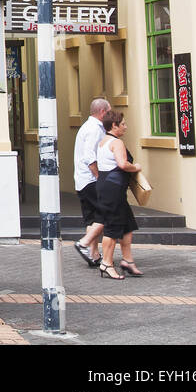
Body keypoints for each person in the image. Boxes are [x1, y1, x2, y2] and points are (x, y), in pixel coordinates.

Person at [95, 110, 144, 279]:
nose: (125, 127)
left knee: (127, 224)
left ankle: (127, 261)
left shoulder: (103, 141)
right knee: (112, 227)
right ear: (114, 125)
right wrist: (136, 167)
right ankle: (106, 264)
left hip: (107, 187)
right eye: (123, 124)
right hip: (113, 190)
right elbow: (122, 164)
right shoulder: (116, 143)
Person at [73, 98, 109, 269]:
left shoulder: (87, 127)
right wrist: (99, 177)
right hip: (90, 180)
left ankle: (93, 254)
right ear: (102, 112)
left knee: (91, 218)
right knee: (103, 214)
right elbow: (90, 156)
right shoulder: (94, 129)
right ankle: (85, 244)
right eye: (108, 112)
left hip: (82, 180)